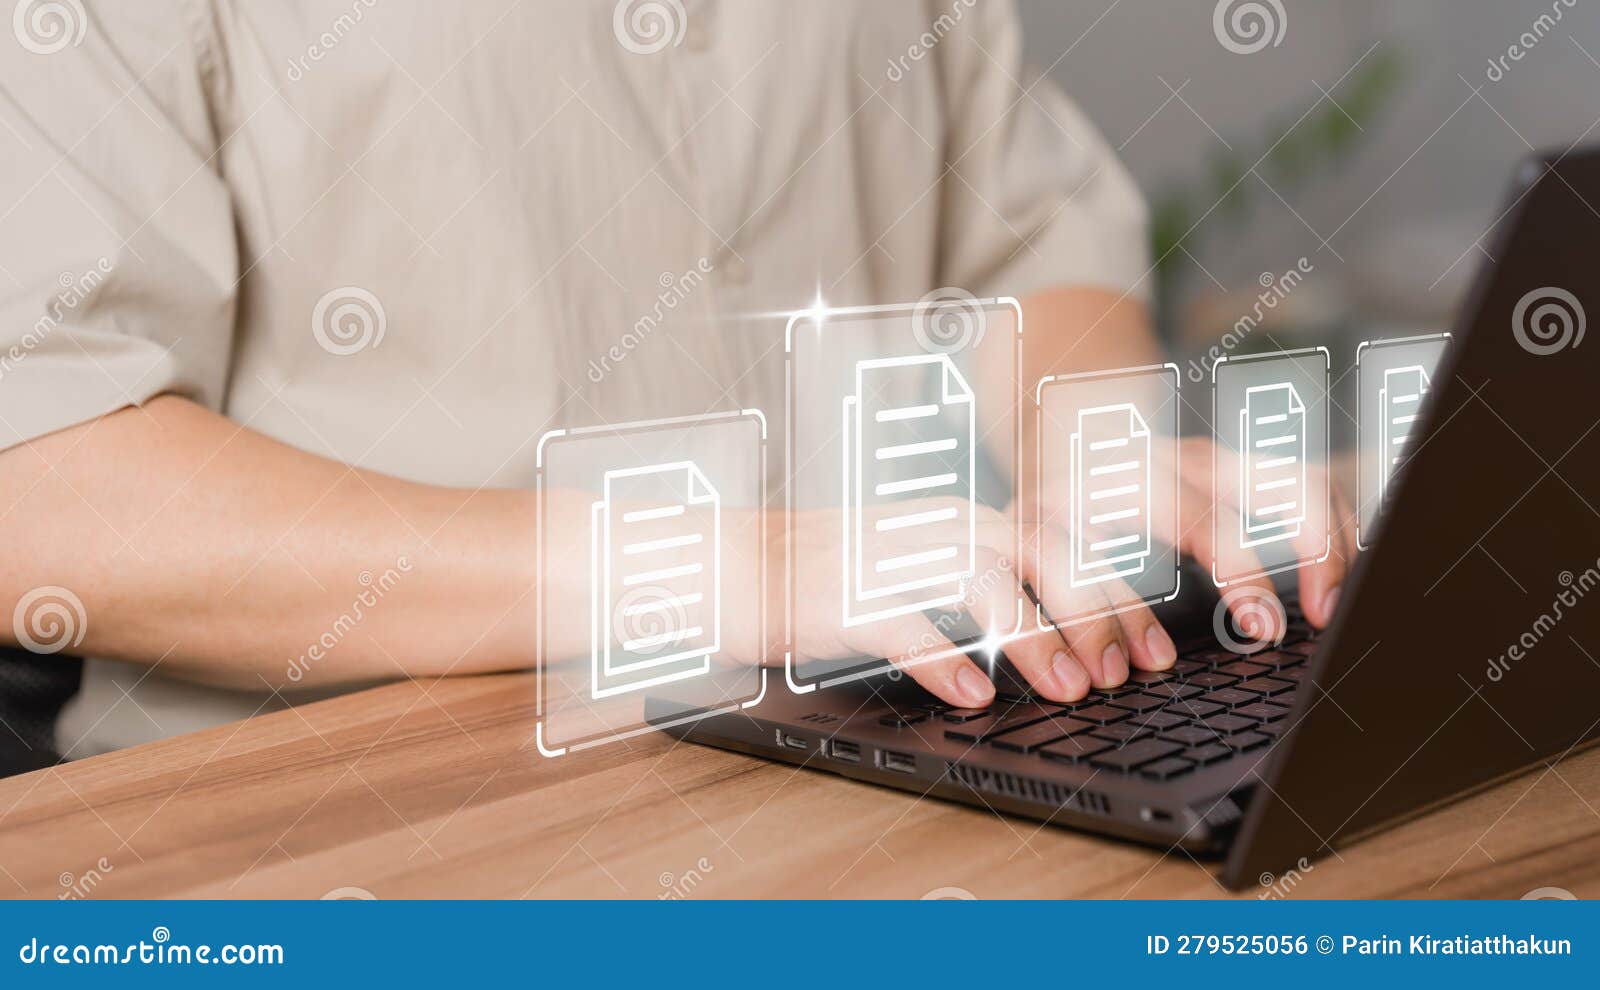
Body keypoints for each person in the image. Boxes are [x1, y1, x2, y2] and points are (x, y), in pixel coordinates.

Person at [0, 0, 1353, 760]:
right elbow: (42, 481)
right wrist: (724, 570)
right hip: (355, 817)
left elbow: (1025, 232)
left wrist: (1094, 451)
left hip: (895, 740)